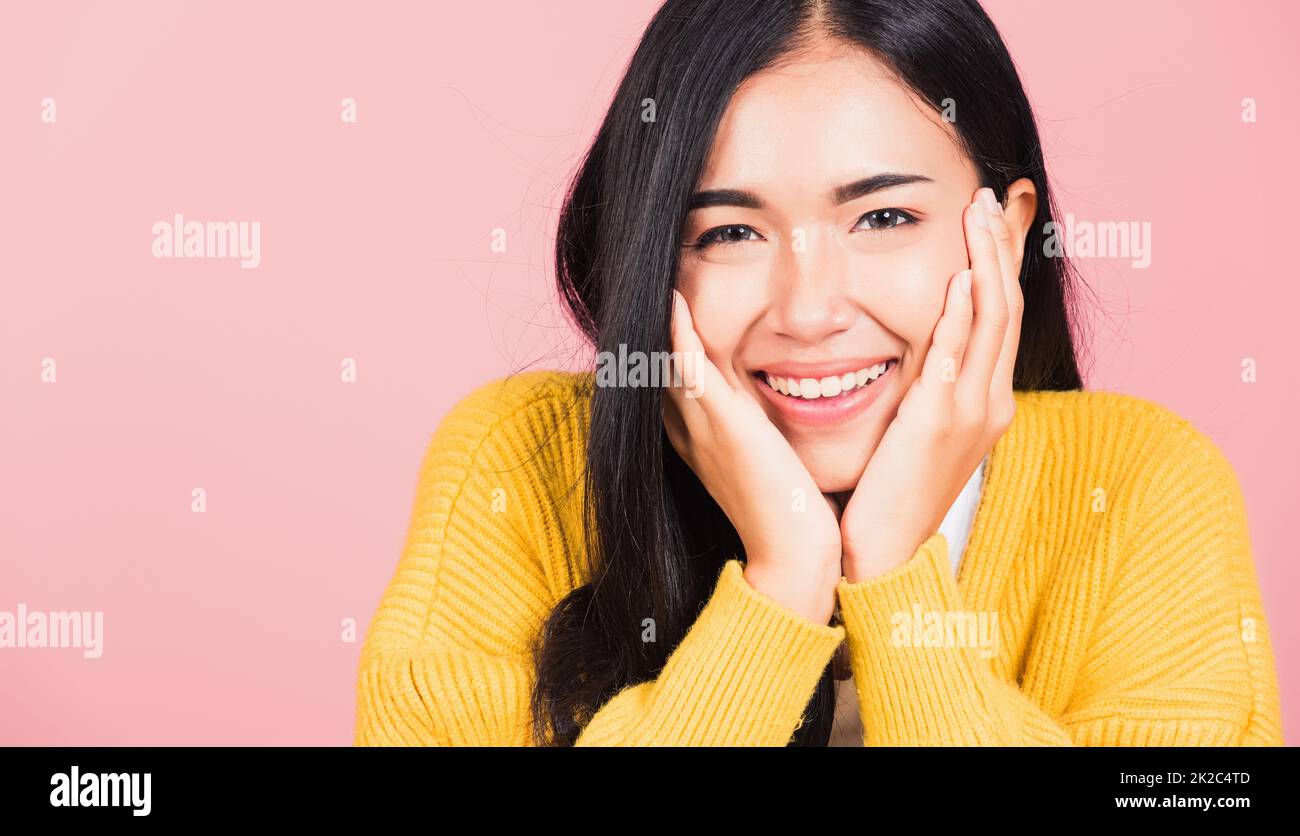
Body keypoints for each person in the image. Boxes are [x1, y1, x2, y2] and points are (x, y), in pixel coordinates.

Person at [354, 0, 1283, 746]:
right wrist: (780, 589)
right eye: (728, 233)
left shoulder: (1141, 488)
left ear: (1002, 231)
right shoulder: (515, 469)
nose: (807, 311)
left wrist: (894, 576)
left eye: (883, 219)